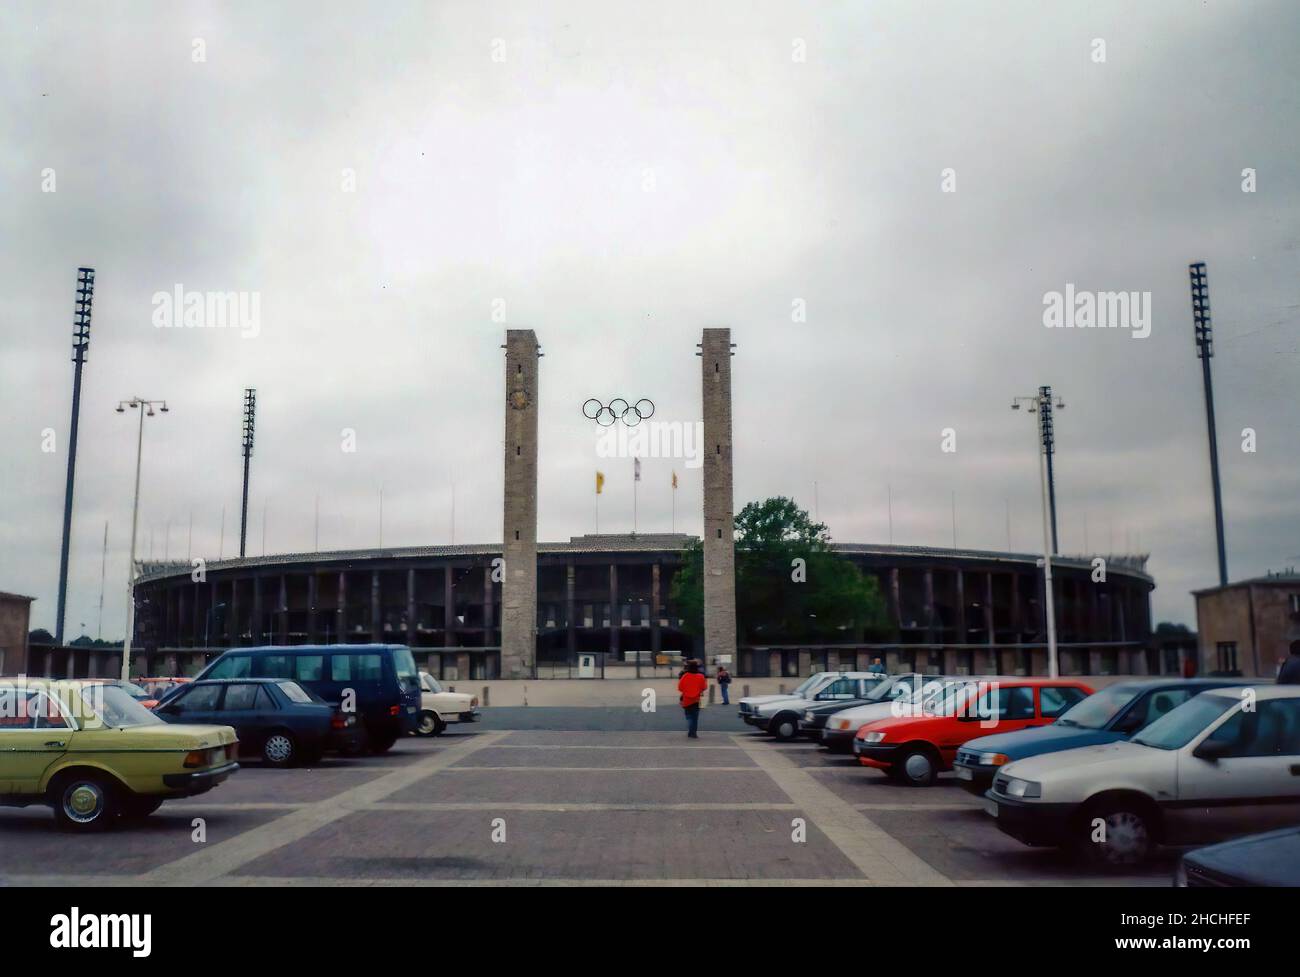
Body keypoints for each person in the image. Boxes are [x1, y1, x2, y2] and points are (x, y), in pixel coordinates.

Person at [678, 659, 708, 738]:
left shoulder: (685, 676)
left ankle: (690, 731)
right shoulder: (700, 676)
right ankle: (693, 733)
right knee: (695, 717)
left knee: (688, 716)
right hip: (696, 699)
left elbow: (680, 688)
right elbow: (704, 687)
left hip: (687, 699)